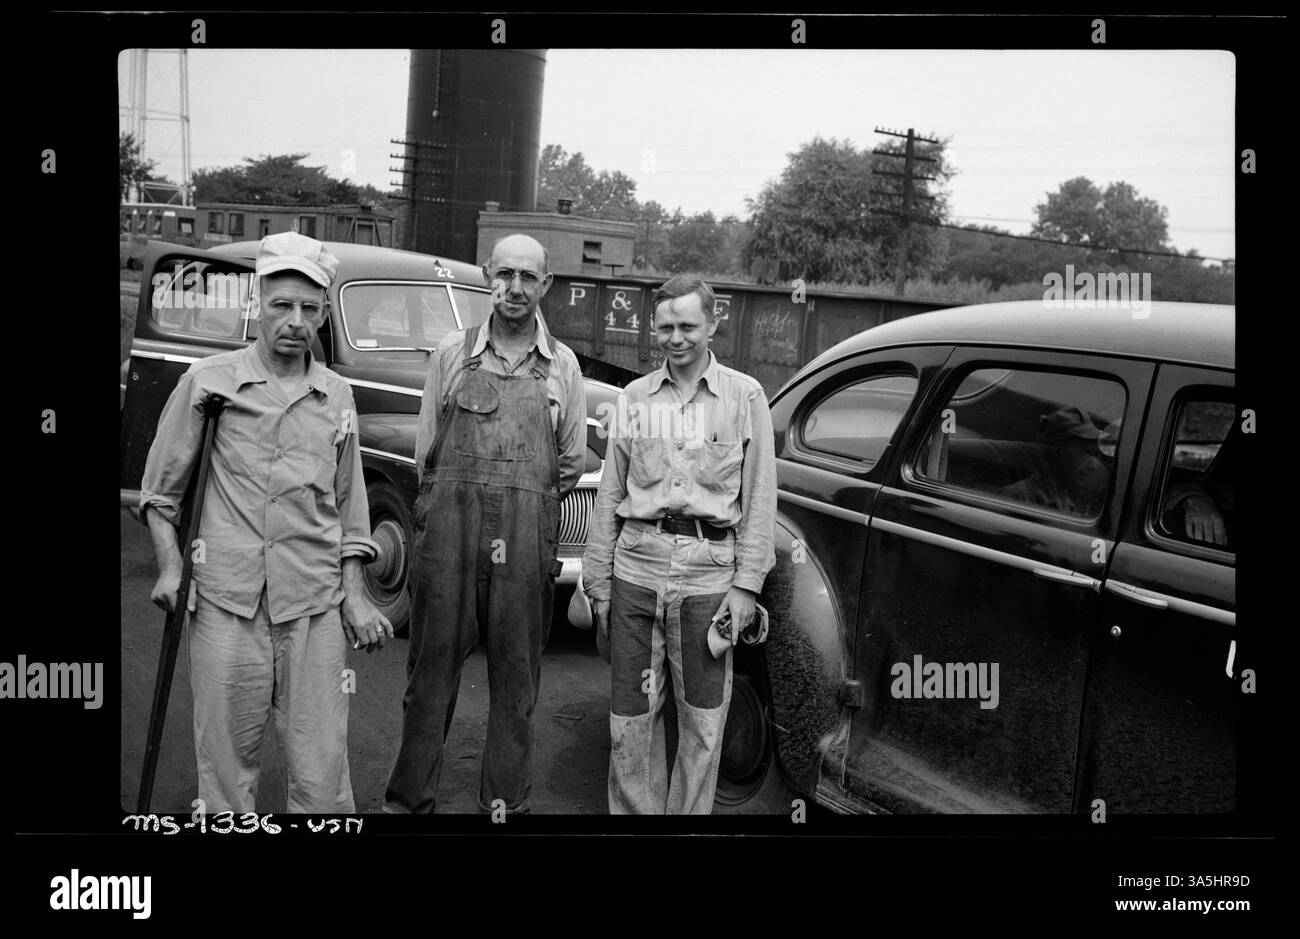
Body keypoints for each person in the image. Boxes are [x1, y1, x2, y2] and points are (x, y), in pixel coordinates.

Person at [140, 231, 392, 814]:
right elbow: (160, 492)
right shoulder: (209, 384)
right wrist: (171, 568)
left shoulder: (337, 396)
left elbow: (352, 508)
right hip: (227, 601)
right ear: (258, 306)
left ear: (324, 314)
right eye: (281, 306)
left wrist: (354, 594)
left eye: (308, 309)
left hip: (313, 605)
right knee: (227, 770)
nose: (294, 321)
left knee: (322, 772)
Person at [384, 234, 586, 814]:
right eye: (505, 275)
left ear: (546, 285)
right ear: (487, 277)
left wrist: (523, 500)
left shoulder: (563, 366)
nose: (516, 288)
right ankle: (406, 803)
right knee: (430, 675)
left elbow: (567, 463)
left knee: (516, 680)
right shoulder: (452, 353)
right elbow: (428, 455)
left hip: (523, 543)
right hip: (449, 534)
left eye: (529, 277)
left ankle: (504, 807)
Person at [582, 275, 777, 814]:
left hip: (708, 577)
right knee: (629, 718)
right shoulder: (634, 398)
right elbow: (610, 493)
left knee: (703, 719)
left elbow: (760, 499)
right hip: (636, 568)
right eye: (665, 326)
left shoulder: (745, 397)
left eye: (689, 325)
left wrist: (746, 588)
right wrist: (598, 584)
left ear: (713, 325)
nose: (676, 337)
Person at [998, 405, 1114, 516]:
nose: (1093, 463)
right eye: (1086, 452)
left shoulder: (1096, 486)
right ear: (1058, 451)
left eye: (1095, 453)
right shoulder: (1018, 498)